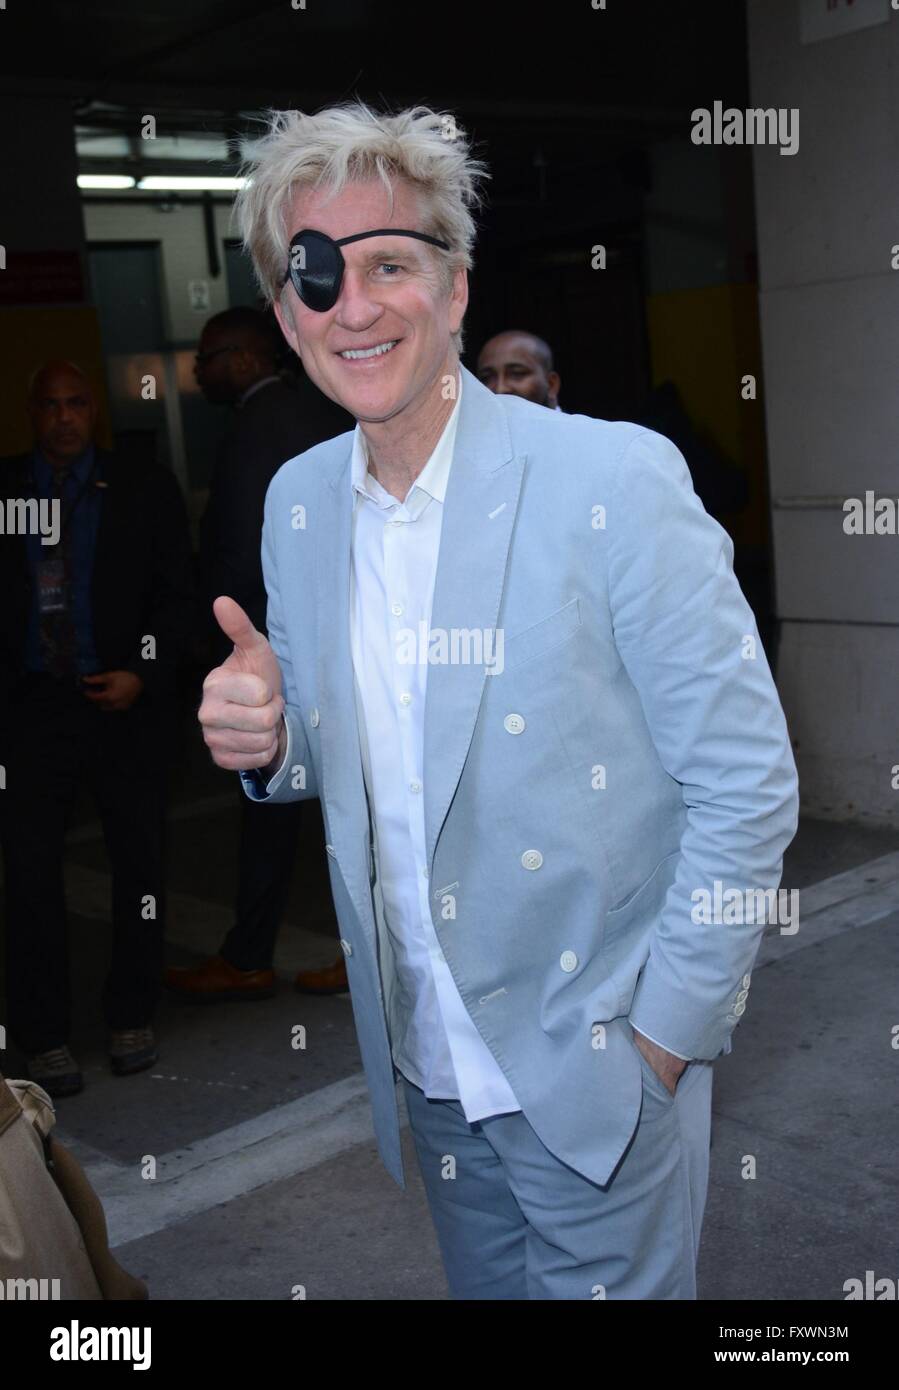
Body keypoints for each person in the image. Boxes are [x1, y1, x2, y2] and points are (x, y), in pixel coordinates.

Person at [197, 102, 799, 1300]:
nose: (353, 306)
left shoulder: (610, 478)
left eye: (388, 265)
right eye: (317, 281)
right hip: (428, 1081)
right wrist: (271, 740)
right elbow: (356, 765)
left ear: (456, 288)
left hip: (599, 1078)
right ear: (285, 317)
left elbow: (743, 780)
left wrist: (664, 1039)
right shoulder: (300, 503)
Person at [0, 362, 195, 1097]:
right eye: (48, 405)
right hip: (29, 712)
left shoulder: (139, 486)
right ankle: (44, 1034)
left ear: (95, 412)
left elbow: (177, 595)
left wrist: (142, 671)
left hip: (121, 705)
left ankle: (130, 1015)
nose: (62, 418)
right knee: (28, 876)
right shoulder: (10, 492)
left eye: (76, 403)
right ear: (30, 412)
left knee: (138, 867)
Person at [165, 308, 352, 1003]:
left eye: (209, 356)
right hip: (318, 641)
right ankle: (270, 950)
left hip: (279, 649)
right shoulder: (314, 412)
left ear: (245, 359)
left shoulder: (258, 426)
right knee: (314, 801)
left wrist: (224, 646)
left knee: (292, 800)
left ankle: (274, 953)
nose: (197, 370)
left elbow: (242, 550)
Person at [476, 330, 562, 409]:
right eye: (486, 378)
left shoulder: (572, 425)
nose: (500, 389)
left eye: (517, 374)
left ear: (551, 385)